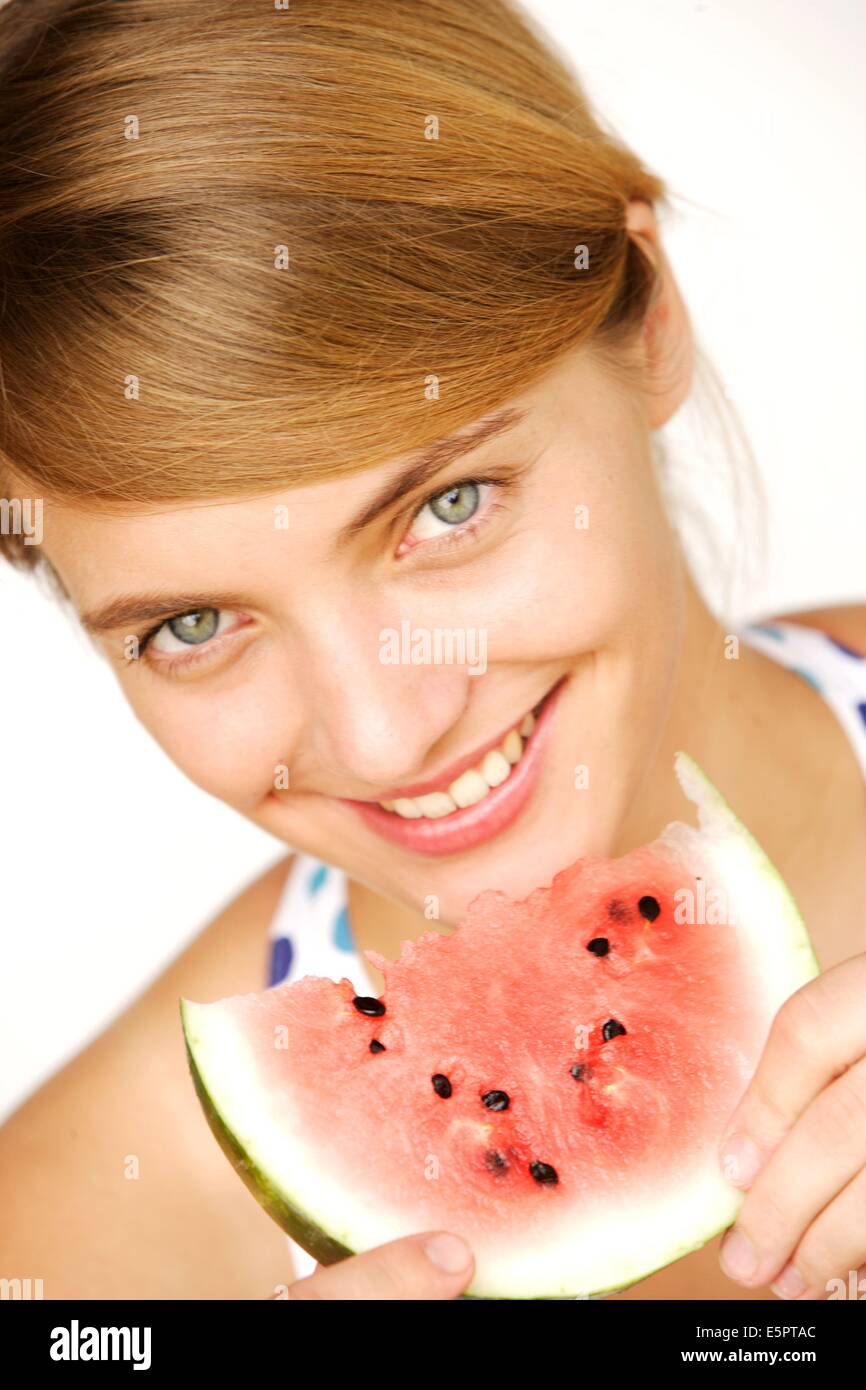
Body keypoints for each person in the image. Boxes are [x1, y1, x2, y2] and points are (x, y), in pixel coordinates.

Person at [1, 0, 865, 1302]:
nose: (382, 735)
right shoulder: (69, 1261)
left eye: (444, 508)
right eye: (191, 625)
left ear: (647, 329)